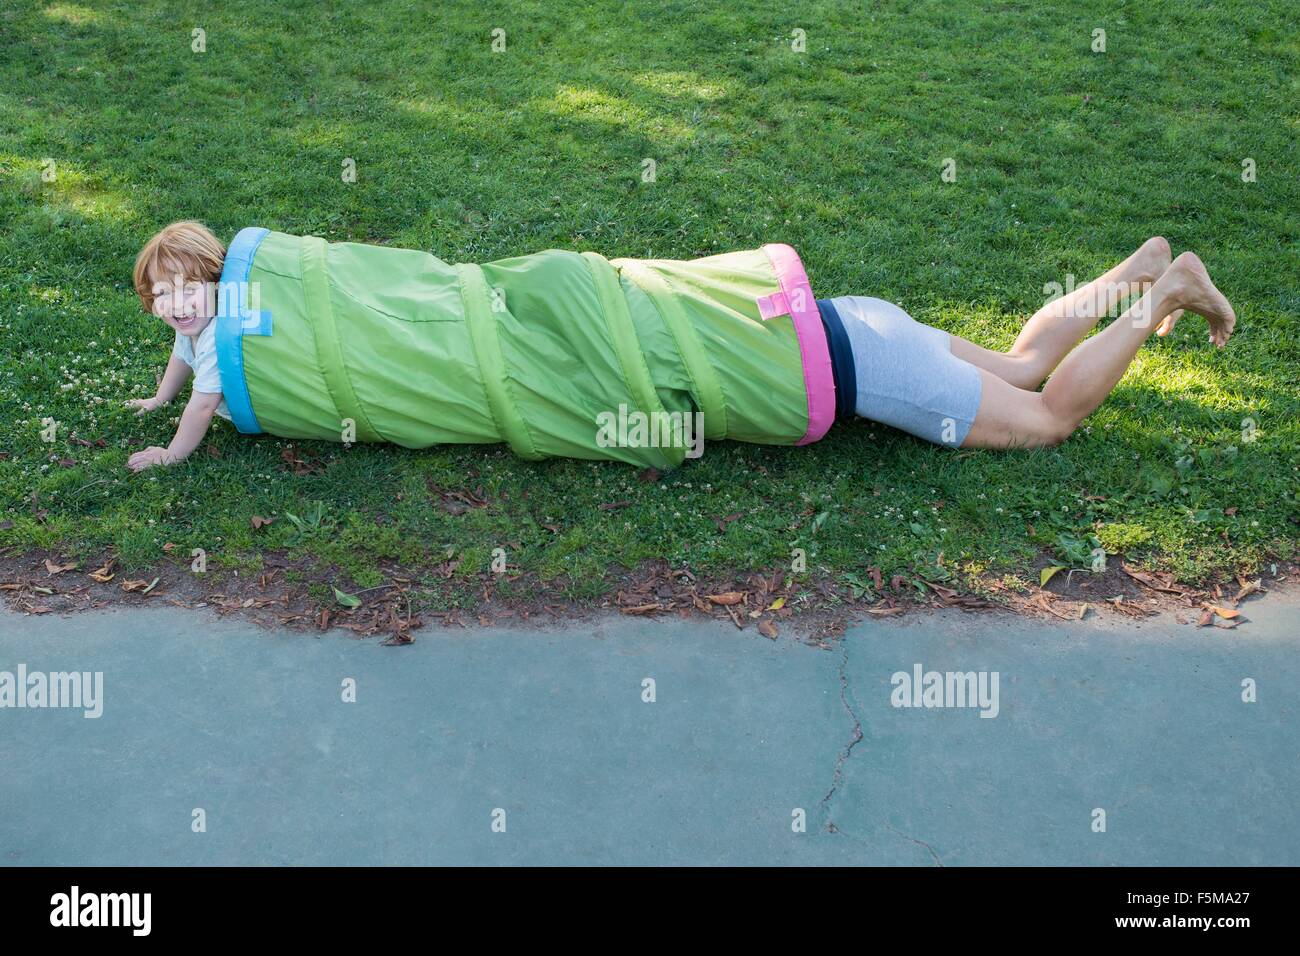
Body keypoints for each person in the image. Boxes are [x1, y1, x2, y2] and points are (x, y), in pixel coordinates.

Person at [125, 224, 1234, 471]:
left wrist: (175, 446)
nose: (175, 317)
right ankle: (1132, 271)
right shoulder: (227, 323)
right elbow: (212, 354)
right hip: (836, 313)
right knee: (1019, 360)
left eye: (180, 298)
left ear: (205, 286)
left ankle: (1163, 296)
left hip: (852, 361)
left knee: (1044, 416)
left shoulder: (238, 327)